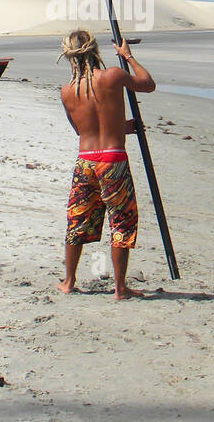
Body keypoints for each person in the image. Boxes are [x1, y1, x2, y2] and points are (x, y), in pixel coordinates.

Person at [56, 30, 154, 301]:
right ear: (94, 50)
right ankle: (120, 288)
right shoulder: (112, 75)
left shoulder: (67, 91)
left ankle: (68, 281)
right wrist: (128, 56)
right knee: (121, 220)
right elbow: (147, 84)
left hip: (86, 161)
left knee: (77, 220)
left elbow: (83, 130)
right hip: (113, 161)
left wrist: (121, 127)